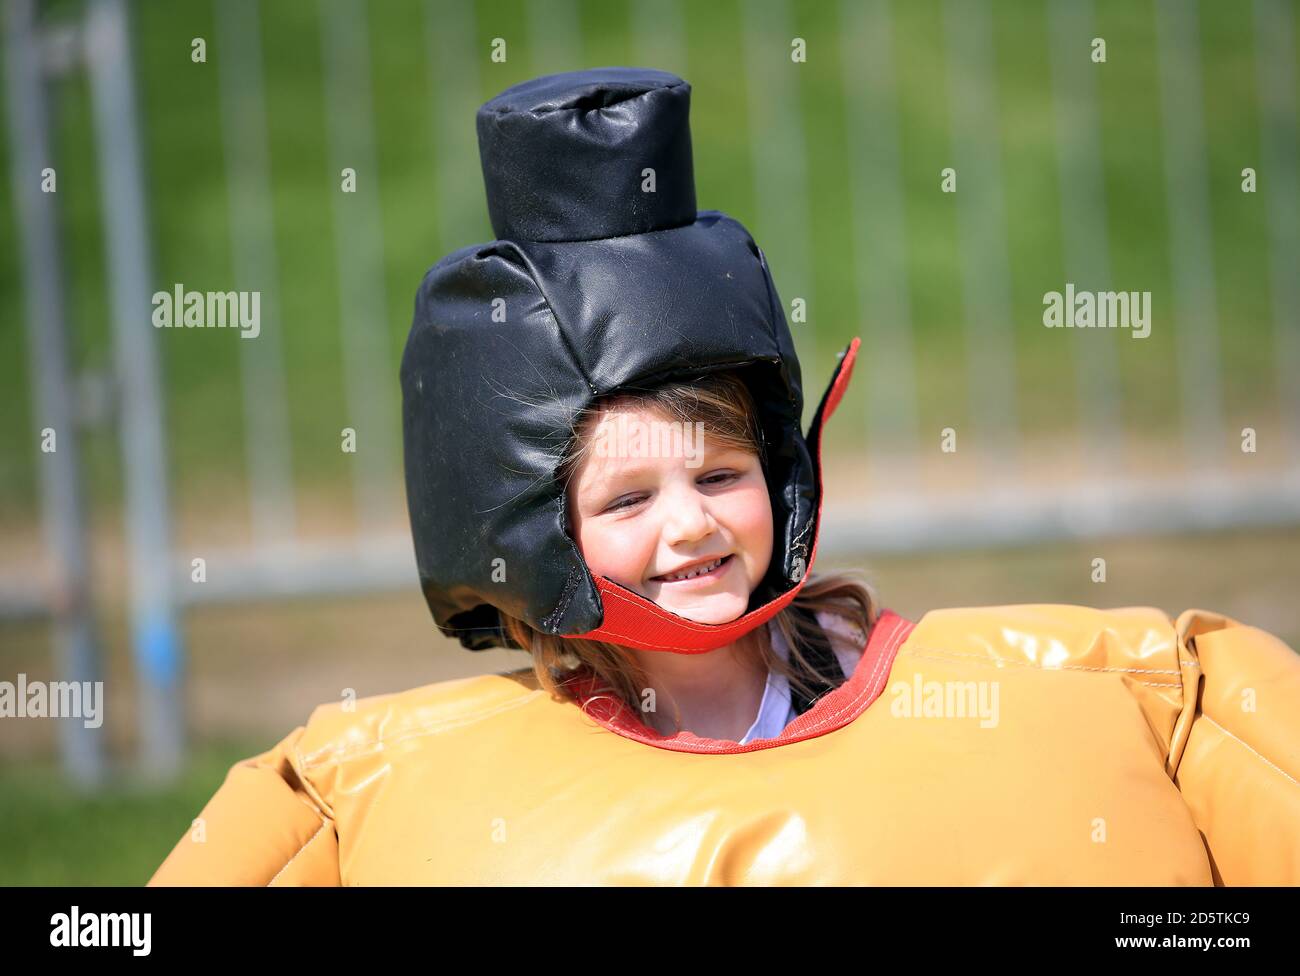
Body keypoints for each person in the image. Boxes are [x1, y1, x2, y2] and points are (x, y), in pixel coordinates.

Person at [149, 67, 1300, 886]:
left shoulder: (1106, 689)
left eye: (720, 472)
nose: (689, 527)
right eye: (627, 499)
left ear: (783, 475)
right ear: (528, 531)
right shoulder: (399, 785)